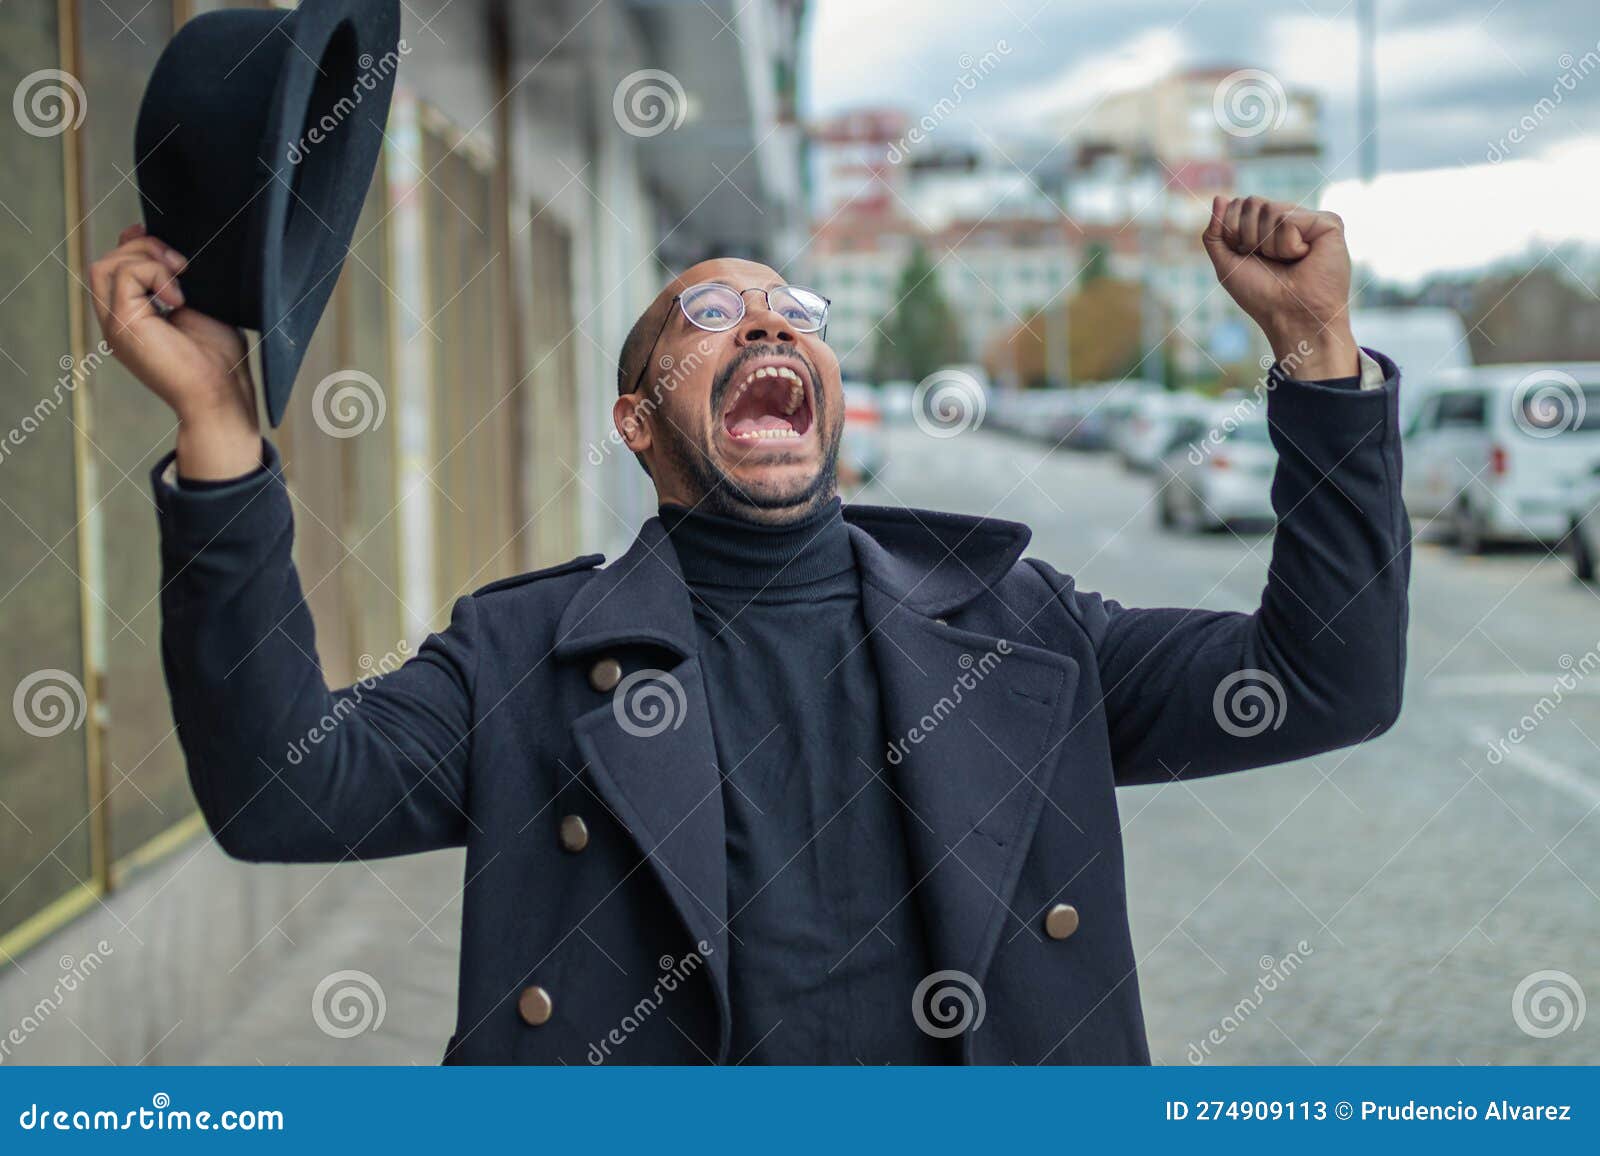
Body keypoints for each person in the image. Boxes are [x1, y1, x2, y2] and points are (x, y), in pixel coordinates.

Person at [89, 194, 1409, 1064]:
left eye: (795, 313)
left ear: (828, 391)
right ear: (638, 421)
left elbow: (1322, 682)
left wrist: (1319, 355)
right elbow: (285, 794)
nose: (769, 319)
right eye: (709, 314)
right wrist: (217, 427)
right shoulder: (523, 661)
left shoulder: (1023, 629)